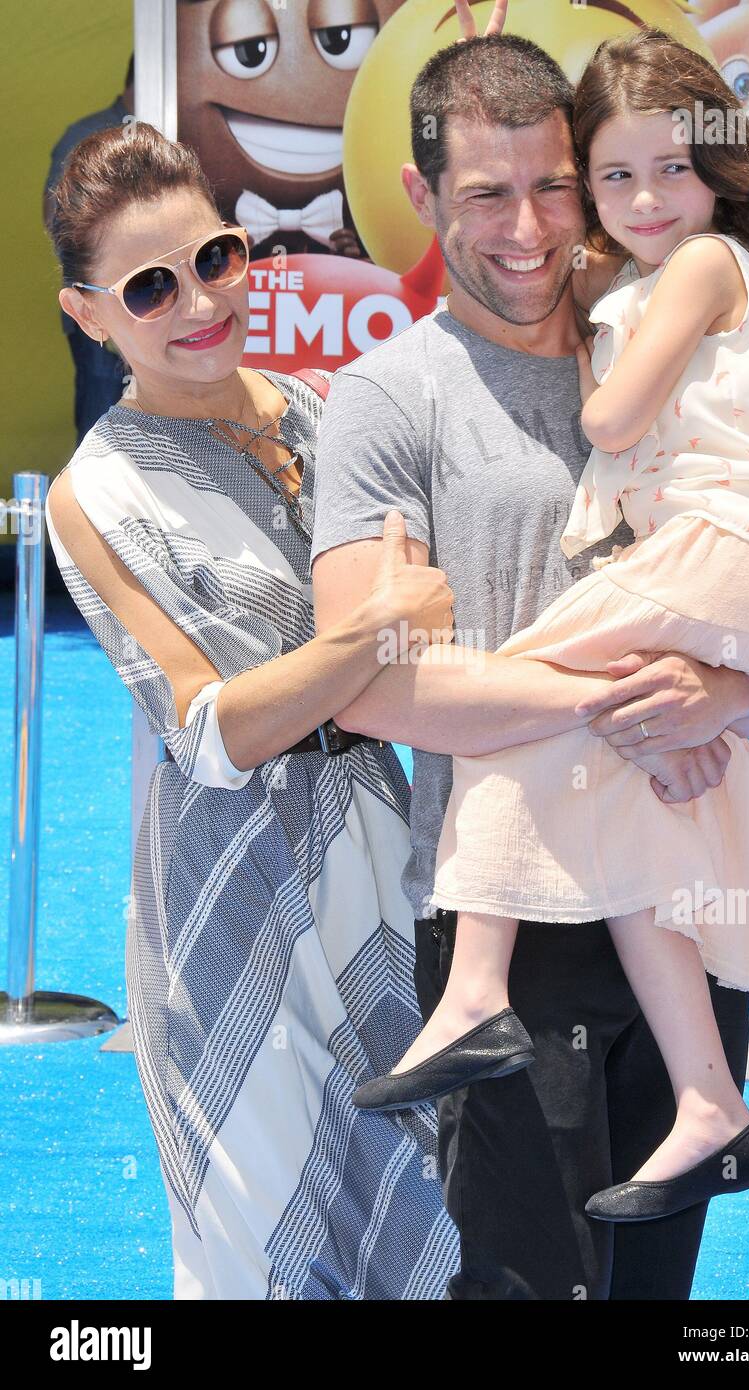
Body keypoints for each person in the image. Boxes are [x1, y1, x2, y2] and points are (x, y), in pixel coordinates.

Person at [310, 31, 749, 1299]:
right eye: (485, 191)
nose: (527, 225)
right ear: (419, 197)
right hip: (514, 917)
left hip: (681, 894)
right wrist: (625, 701)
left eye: (552, 185)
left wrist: (729, 695)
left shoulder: (651, 330)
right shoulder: (386, 398)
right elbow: (366, 683)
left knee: (656, 1292)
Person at [43, 121, 459, 1300]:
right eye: (148, 286)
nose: (195, 304)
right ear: (90, 315)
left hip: (402, 871)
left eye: (213, 260)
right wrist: (371, 633)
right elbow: (211, 729)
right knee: (270, 1256)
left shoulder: (336, 410)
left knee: (435, 1229)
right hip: (237, 914)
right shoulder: (95, 493)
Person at [43, 55, 135, 441]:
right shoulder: (89, 134)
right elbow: (54, 217)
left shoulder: (168, 128)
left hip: (156, 300)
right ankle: (91, 502)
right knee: (102, 417)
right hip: (100, 300)